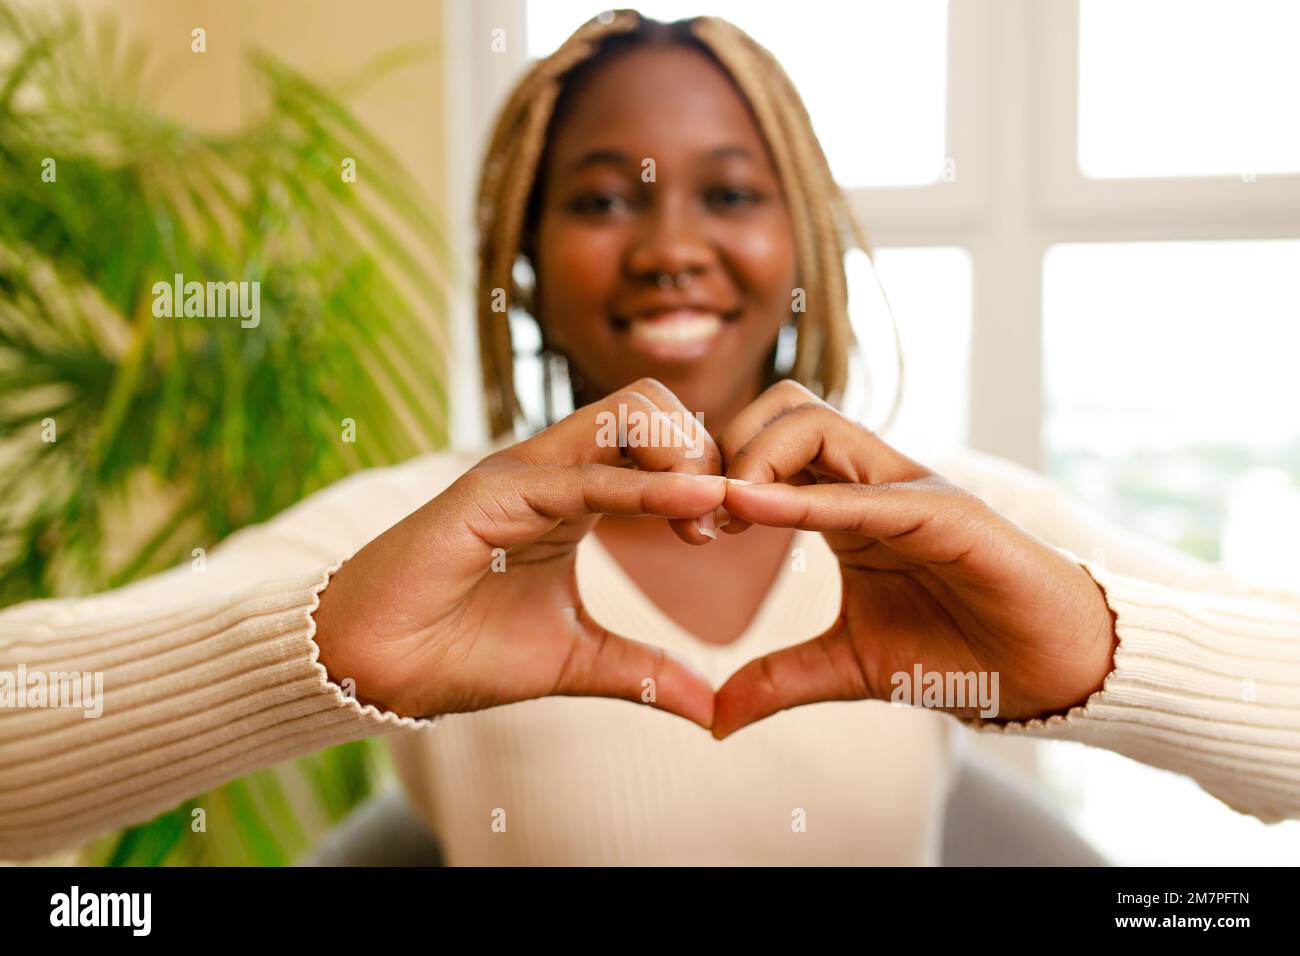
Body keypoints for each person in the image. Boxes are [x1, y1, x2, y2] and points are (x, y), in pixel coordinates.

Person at [2, 10, 1297, 865]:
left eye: (730, 193)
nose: (672, 244)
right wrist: (319, 649)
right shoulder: (411, 532)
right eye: (601, 199)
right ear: (525, 255)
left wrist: (1103, 654)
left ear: (801, 245)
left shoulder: (955, 525)